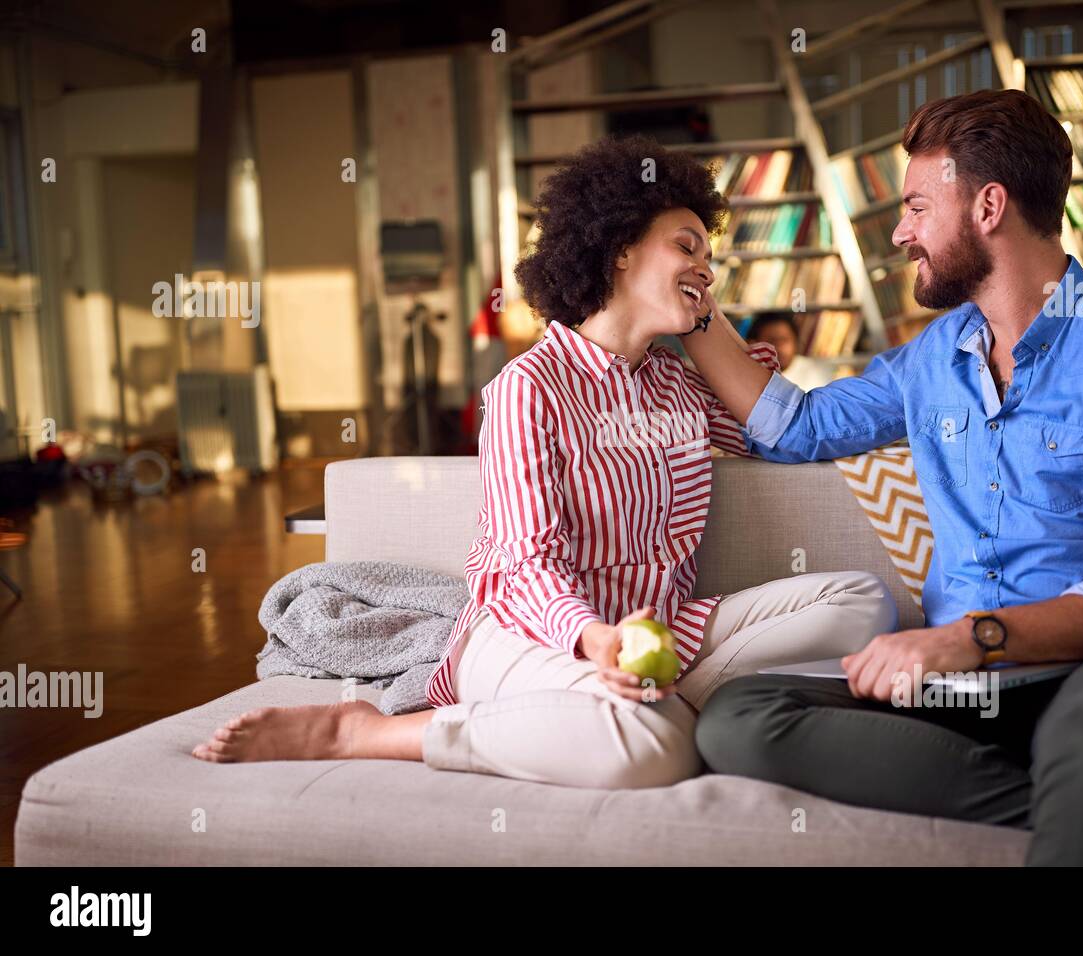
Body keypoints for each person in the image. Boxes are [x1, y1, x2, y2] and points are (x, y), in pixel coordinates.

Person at [679, 89, 1083, 866]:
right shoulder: (930, 360)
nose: (901, 233)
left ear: (989, 206)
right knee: (741, 715)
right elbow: (795, 426)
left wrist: (974, 639)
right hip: (974, 693)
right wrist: (693, 309)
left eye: (914, 207)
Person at [191, 134, 896, 789]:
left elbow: (773, 432)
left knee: (864, 601)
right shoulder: (530, 388)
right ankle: (366, 733)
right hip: (534, 635)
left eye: (708, 259)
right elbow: (526, 564)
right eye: (687, 248)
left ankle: (661, 698)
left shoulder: (676, 383)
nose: (706, 269)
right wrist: (593, 639)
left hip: (656, 633)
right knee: (653, 751)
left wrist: (699, 311)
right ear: (621, 248)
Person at [746, 315, 834, 391]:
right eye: (772, 341)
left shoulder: (817, 375)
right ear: (754, 343)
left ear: (796, 342)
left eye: (784, 340)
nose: (778, 348)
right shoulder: (747, 374)